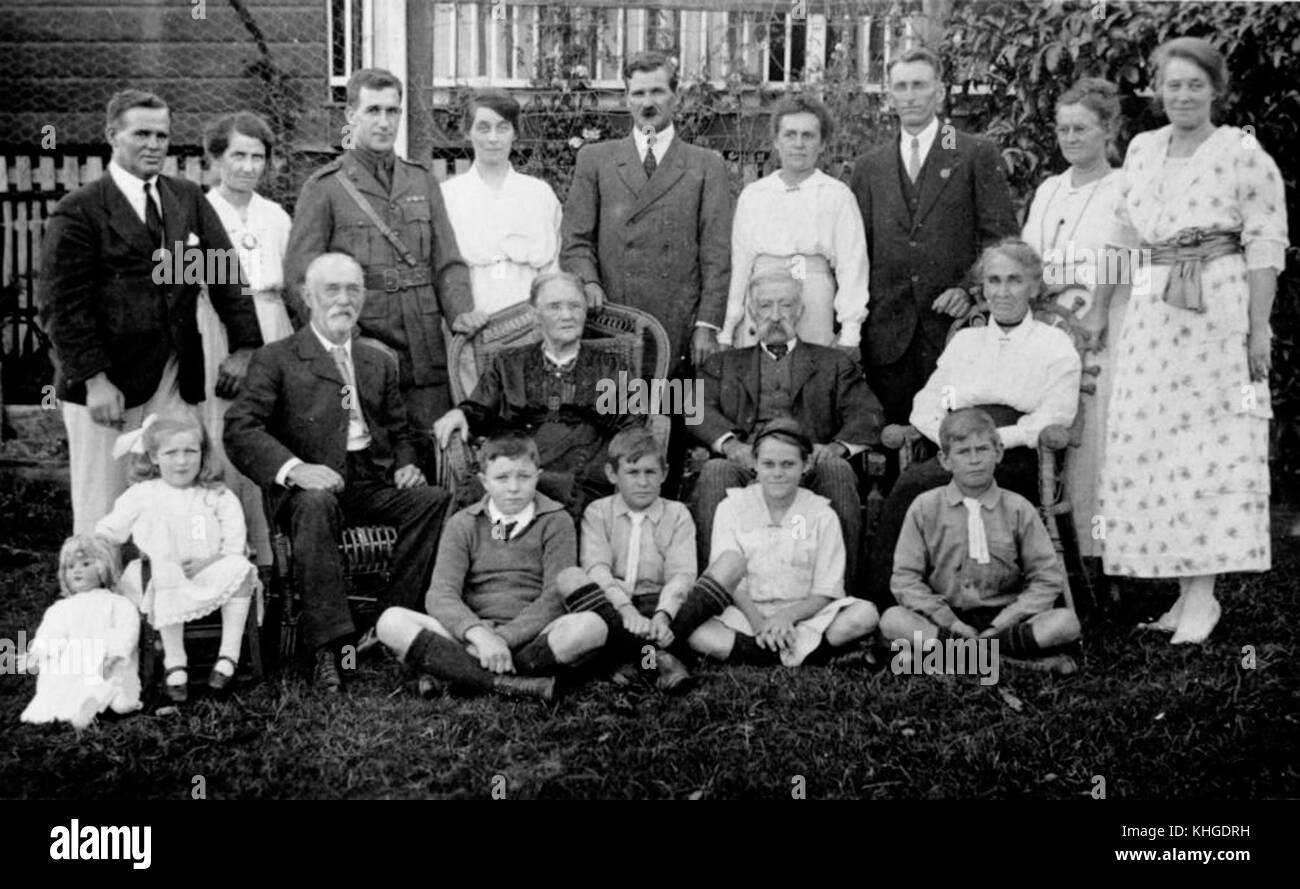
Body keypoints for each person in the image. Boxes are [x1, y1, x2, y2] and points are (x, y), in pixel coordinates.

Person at [1080, 37, 1287, 644]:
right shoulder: (1142, 150)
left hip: (1216, 314)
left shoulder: (1241, 151)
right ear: (1157, 90)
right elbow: (1121, 237)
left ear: (1216, 91)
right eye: (1172, 85)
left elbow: (1265, 245)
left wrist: (1258, 327)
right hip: (1152, 311)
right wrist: (1097, 308)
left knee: (1209, 446)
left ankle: (1204, 598)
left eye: (1196, 85)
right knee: (1153, 442)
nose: (1183, 95)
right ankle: (1179, 594)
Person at [36, 89, 262, 535]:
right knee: (105, 503)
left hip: (174, 375)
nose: (154, 144)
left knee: (175, 493)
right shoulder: (80, 210)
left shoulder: (185, 200)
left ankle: (166, 599)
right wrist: (94, 379)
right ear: (112, 136)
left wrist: (245, 346)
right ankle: (101, 601)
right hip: (108, 386)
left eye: (162, 135)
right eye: (141, 133)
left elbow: (223, 273)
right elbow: (63, 306)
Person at [223, 253, 452, 692]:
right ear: (308, 297)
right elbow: (240, 429)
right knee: (313, 504)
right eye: (332, 290)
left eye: (354, 290)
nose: (344, 300)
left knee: (434, 502)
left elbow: (400, 429)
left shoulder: (376, 360)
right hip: (311, 487)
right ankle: (327, 647)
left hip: (370, 479)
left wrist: (406, 463)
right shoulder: (278, 359)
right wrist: (295, 469)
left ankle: (386, 621)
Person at [867, 239, 1081, 605]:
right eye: (993, 281)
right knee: (911, 484)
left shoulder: (1053, 343)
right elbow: (928, 402)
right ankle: (887, 607)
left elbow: (1055, 415)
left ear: (1033, 286)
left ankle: (994, 603)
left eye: (1014, 280)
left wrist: (994, 441)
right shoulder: (966, 341)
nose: (1002, 291)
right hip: (956, 445)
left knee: (955, 483)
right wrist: (951, 442)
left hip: (1014, 453)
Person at [283, 68, 474, 431]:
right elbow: (300, 280)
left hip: (424, 351)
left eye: (393, 111)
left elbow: (447, 263)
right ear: (350, 116)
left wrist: (461, 315)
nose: (384, 122)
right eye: (373, 111)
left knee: (431, 449)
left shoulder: (421, 180)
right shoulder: (325, 188)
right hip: (360, 347)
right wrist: (343, 340)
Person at [848, 48, 1018, 426]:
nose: (909, 95)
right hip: (887, 336)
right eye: (901, 87)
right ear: (890, 95)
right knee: (890, 443)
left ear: (939, 92)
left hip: (952, 331)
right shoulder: (869, 167)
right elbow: (856, 253)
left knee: (952, 434)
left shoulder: (973, 153)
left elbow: (1001, 241)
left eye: (919, 85)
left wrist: (968, 289)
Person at [374, 432, 609, 703]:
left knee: (592, 626)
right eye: (501, 478)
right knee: (391, 621)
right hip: (472, 633)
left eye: (524, 477)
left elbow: (554, 596)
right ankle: (509, 683)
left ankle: (457, 673)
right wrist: (480, 636)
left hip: (533, 635)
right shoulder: (463, 523)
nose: (513, 487)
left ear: (538, 475)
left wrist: (502, 639)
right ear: (484, 481)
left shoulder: (556, 520)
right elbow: (441, 594)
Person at [693, 268, 881, 580]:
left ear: (801, 311)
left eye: (786, 305)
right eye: (766, 306)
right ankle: (712, 590)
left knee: (837, 469)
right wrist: (730, 445)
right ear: (752, 312)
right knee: (716, 471)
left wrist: (834, 448)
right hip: (749, 459)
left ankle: (838, 591)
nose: (776, 316)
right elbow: (694, 408)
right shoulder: (724, 364)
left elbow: (868, 414)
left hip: (809, 461)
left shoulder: (833, 363)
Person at [662, 420, 878, 668]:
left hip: (803, 616)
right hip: (747, 614)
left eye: (788, 464)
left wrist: (787, 617)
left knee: (865, 615)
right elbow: (732, 585)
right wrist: (760, 624)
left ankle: (760, 654)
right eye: (768, 464)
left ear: (805, 465)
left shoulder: (820, 513)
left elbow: (825, 590)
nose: (778, 473)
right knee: (699, 632)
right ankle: (804, 655)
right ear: (755, 464)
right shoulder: (732, 507)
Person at [881, 408, 1081, 674]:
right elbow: (905, 579)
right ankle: (1015, 665)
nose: (975, 460)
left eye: (982, 449)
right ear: (945, 460)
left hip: (1005, 620)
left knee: (1066, 623)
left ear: (998, 453)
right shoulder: (924, 507)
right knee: (892, 620)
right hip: (945, 619)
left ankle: (947, 661)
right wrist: (952, 624)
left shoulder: (1018, 508)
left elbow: (1046, 578)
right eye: (964, 452)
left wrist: (1003, 622)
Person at [432, 271, 641, 520]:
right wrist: (460, 413)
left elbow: (631, 426)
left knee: (560, 502)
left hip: (579, 468)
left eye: (575, 306)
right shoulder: (509, 364)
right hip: (518, 457)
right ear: (534, 314)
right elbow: (479, 409)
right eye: (555, 307)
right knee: (488, 505)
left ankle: (546, 553)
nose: (567, 315)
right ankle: (498, 549)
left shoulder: (610, 367)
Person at [1022, 78, 1126, 570]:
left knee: (1095, 433)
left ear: (1109, 129)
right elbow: (1028, 256)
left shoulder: (1125, 187)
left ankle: (1096, 553)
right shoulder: (1048, 188)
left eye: (1081, 128)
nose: (1070, 137)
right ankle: (1044, 551)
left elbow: (1127, 256)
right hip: (1046, 320)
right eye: (1062, 128)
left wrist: (1100, 309)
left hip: (1098, 320)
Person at [94, 412, 260, 703]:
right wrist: (98, 545)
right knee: (163, 571)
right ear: (154, 457)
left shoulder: (217, 495)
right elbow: (110, 529)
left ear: (202, 454)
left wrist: (208, 562)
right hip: (160, 576)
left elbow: (234, 545)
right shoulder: (142, 494)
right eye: (171, 453)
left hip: (210, 571)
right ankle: (175, 660)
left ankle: (228, 655)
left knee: (242, 568)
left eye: (190, 452)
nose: (182, 461)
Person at [196, 111, 296, 569]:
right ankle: (222, 552)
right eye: (237, 155)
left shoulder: (274, 215)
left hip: (272, 323)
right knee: (224, 430)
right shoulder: (196, 213)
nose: (248, 166)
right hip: (220, 328)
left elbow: (292, 282)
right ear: (215, 158)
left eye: (258, 157)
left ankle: (272, 553)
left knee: (270, 428)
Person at [720, 94, 869, 352]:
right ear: (777, 141)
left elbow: (852, 266)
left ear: (822, 144)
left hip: (813, 299)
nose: (798, 144)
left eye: (808, 136)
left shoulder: (837, 195)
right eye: (790, 135)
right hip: (762, 298)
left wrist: (850, 333)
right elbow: (741, 265)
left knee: (808, 381)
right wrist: (728, 327)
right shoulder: (754, 195)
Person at [441, 88, 563, 394]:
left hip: (529, 319)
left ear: (515, 134)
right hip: (476, 321)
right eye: (483, 128)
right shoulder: (449, 195)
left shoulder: (538, 193)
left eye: (502, 127)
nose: (493, 138)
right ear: (467, 133)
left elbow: (552, 268)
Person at [573, 426, 696, 692]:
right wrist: (625, 610)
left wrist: (663, 616)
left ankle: (633, 662)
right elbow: (596, 569)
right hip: (614, 602)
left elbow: (681, 574)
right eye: (632, 472)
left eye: (650, 472)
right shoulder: (598, 512)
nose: (642, 482)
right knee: (591, 608)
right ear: (612, 474)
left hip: (657, 600)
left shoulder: (677, 515)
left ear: (664, 473)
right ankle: (656, 660)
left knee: (687, 610)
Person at [20, 535, 142, 729]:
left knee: (119, 698)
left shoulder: (117, 603)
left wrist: (115, 654)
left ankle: (96, 704)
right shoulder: (61, 608)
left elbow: (127, 630)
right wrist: (39, 652)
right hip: (72, 662)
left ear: (103, 569)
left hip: (106, 661)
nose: (77, 570)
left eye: (85, 564)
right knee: (59, 683)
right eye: (70, 566)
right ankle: (80, 708)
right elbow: (52, 633)